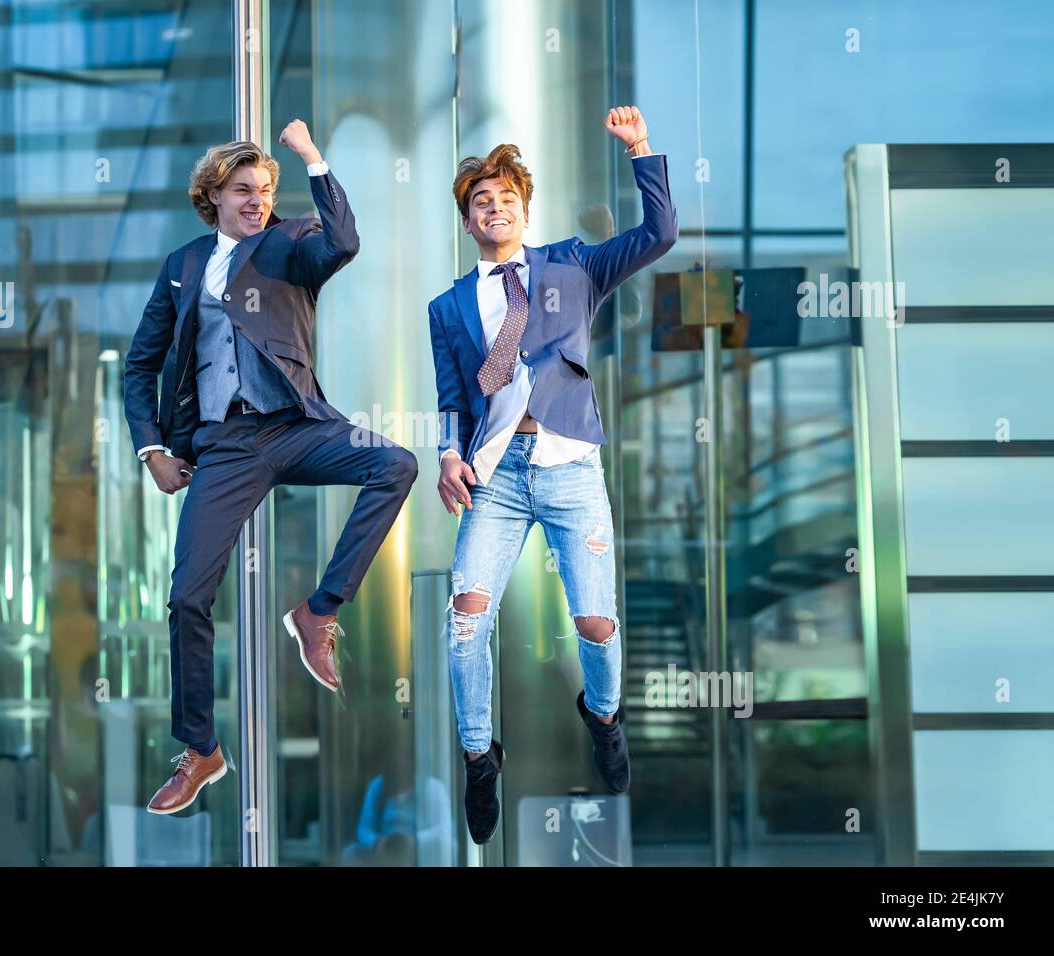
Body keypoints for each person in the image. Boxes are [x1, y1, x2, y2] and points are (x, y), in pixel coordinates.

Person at [125, 120, 419, 815]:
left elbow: (344, 241)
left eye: (264, 190)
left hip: (296, 425)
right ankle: (201, 751)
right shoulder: (183, 266)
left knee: (396, 464)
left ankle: (319, 613)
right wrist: (153, 450)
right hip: (223, 447)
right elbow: (142, 364)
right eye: (242, 190)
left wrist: (314, 159)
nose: (256, 200)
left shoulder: (290, 245)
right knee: (187, 597)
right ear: (213, 196)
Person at [427, 106, 677, 844]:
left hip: (570, 467)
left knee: (595, 624)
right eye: (480, 200)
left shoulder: (572, 266)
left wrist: (641, 149)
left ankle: (602, 716)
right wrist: (447, 453)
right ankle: (480, 755)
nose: (494, 205)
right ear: (469, 222)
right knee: (465, 619)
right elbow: (449, 397)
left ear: (523, 208)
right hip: (496, 475)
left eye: (505, 195)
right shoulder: (448, 306)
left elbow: (658, 236)